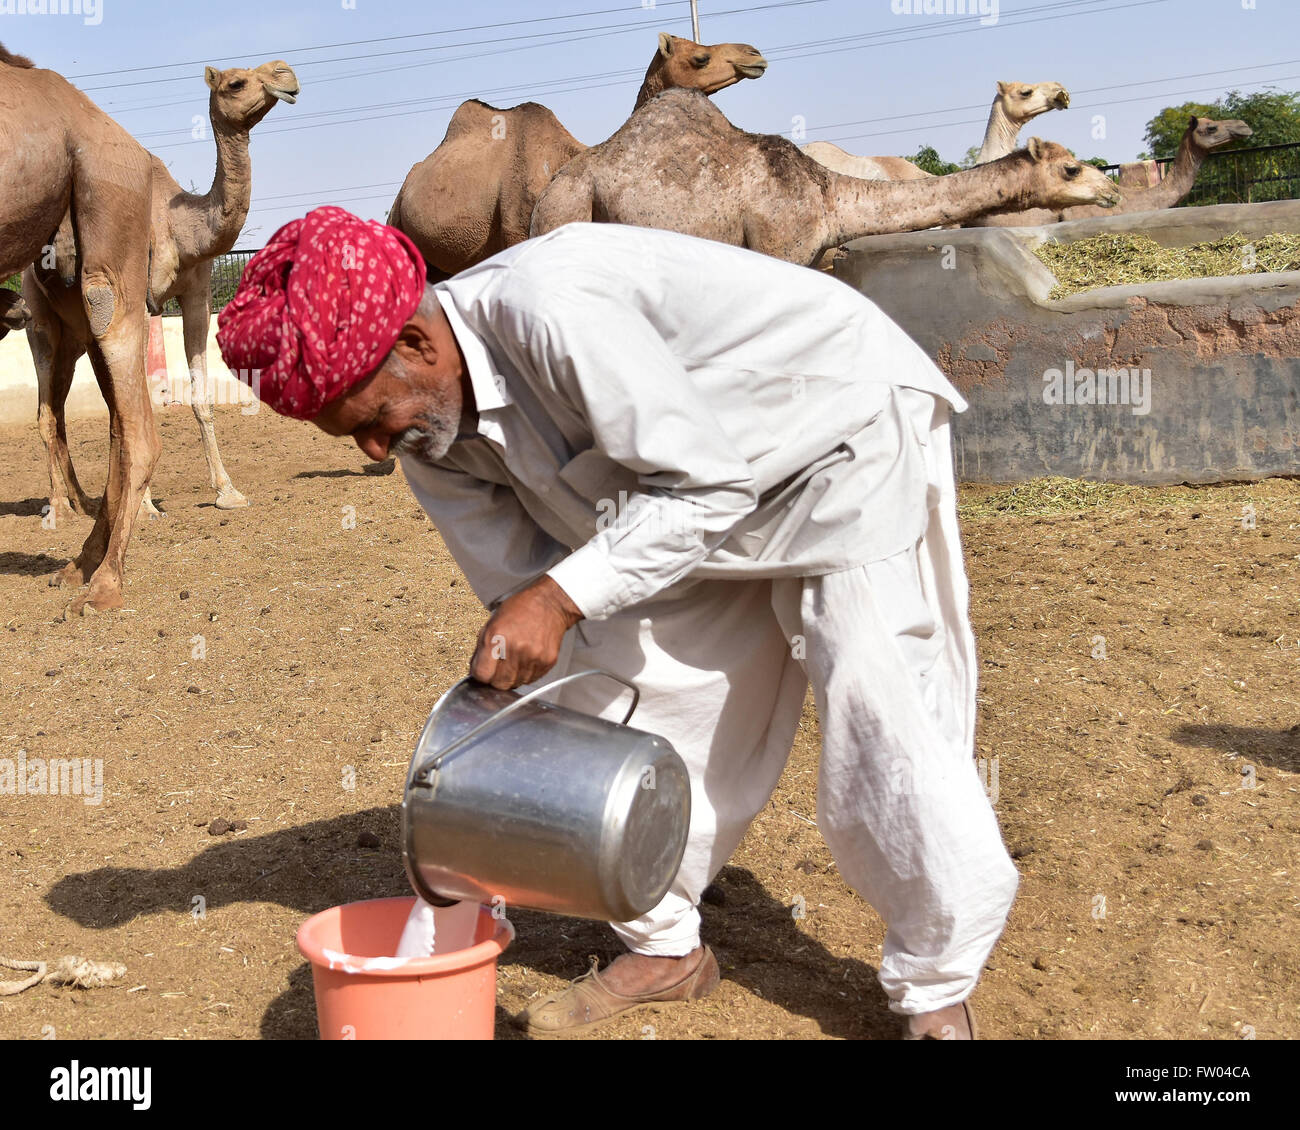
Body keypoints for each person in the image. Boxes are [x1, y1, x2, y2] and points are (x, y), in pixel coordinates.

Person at [217, 205, 1019, 1040]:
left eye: (372, 420)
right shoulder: (428, 435)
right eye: (355, 439)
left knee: (878, 701)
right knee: (634, 691)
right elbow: (523, 584)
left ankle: (935, 989)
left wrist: (560, 601)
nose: (376, 452)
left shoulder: (553, 308)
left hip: (833, 440)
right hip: (677, 498)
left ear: (416, 345)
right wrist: (530, 662)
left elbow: (698, 493)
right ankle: (667, 947)